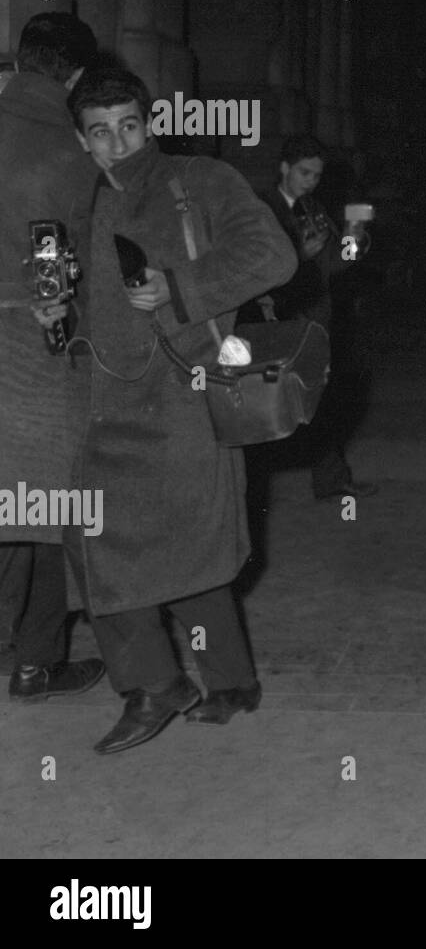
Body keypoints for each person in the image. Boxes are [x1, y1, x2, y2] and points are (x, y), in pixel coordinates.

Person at [50, 67, 297, 753]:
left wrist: (178, 288)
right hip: (102, 401)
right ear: (81, 138)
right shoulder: (78, 198)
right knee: (99, 543)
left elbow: (273, 255)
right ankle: (158, 683)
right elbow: (76, 292)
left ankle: (228, 681)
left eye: (129, 126)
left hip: (185, 396)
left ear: (150, 123)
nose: (118, 144)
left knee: (190, 545)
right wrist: (54, 310)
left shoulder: (198, 181)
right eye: (100, 133)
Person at [0, 12, 105, 703]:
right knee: (40, 505)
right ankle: (35, 663)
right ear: (72, 76)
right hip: (33, 347)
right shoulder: (71, 153)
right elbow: (72, 258)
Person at [249, 134, 375, 502]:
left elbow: (334, 264)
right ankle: (253, 489)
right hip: (277, 321)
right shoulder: (261, 208)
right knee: (268, 406)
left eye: (317, 176)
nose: (310, 181)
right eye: (304, 172)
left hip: (316, 321)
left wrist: (355, 238)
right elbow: (258, 267)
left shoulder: (313, 208)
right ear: (284, 168)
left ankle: (331, 478)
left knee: (325, 400)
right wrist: (300, 254)